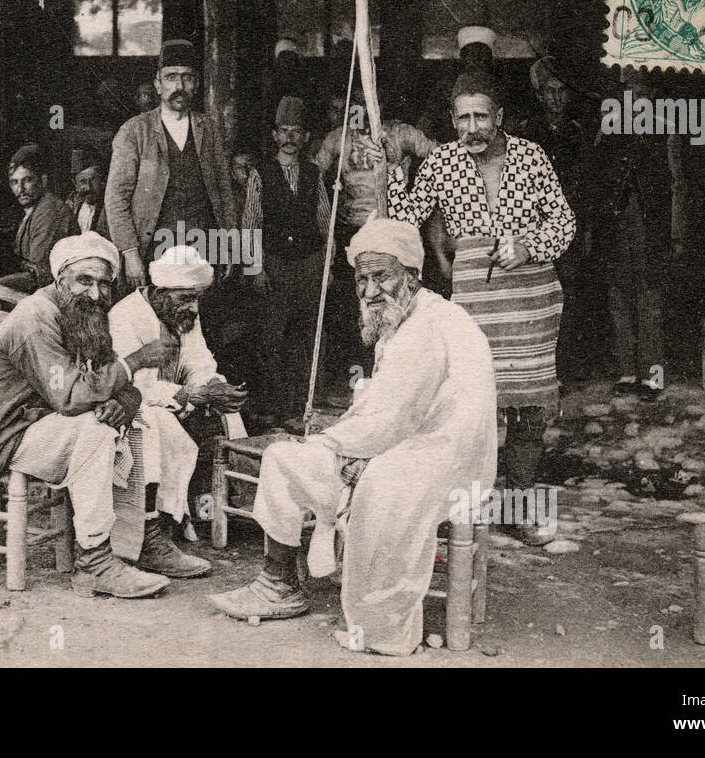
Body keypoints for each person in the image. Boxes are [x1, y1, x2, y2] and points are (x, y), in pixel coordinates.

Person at [208, 218, 497, 655]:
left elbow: (394, 417)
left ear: (412, 275)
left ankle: (383, 630)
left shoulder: (427, 327)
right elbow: (385, 410)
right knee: (285, 458)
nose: (369, 288)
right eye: (362, 277)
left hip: (444, 456)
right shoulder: (405, 315)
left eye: (381, 276)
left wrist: (339, 446)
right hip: (405, 439)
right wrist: (340, 442)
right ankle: (279, 584)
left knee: (380, 486)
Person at [388, 71, 574, 545]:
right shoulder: (442, 163)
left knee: (530, 412)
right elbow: (406, 219)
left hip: (531, 303)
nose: (473, 127)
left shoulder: (531, 156)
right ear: (452, 120)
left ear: (500, 117)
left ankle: (517, 509)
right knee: (474, 406)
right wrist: (390, 170)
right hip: (474, 304)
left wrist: (530, 246)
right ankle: (470, 509)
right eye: (463, 117)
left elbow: (564, 221)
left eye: (482, 116)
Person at [0, 232, 180, 599]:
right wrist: (136, 362)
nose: (96, 293)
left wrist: (128, 400)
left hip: (37, 424)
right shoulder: (37, 316)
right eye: (84, 280)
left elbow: (111, 382)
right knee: (96, 430)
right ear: (60, 279)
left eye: (104, 284)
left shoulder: (85, 313)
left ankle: (134, 545)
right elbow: (71, 396)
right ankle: (95, 563)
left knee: (134, 422)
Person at [108, 245, 248, 570]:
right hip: (128, 407)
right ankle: (150, 534)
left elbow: (199, 359)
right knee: (157, 422)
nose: (194, 307)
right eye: (185, 299)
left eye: (196, 297)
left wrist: (212, 385)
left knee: (227, 411)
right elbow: (133, 387)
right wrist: (188, 396)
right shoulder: (124, 317)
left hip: (171, 400)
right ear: (158, 292)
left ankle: (216, 507)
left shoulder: (181, 314)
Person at [312, 84, 433, 401]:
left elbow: (439, 154)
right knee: (355, 308)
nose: (362, 112)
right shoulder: (339, 137)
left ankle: (398, 378)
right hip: (352, 232)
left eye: (368, 105)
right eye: (356, 105)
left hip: (392, 229)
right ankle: (356, 378)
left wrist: (407, 172)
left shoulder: (400, 133)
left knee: (396, 305)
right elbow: (313, 169)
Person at [579, 72, 681, 401]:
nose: (634, 102)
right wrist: (593, 228)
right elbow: (595, 183)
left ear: (652, 97)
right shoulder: (607, 131)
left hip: (651, 227)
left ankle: (654, 376)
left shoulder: (667, 128)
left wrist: (677, 232)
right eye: (627, 95)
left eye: (640, 95)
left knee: (650, 301)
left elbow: (677, 185)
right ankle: (626, 371)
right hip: (616, 228)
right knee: (618, 298)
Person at [105, 39, 237, 291]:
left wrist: (229, 245)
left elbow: (224, 192)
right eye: (171, 77)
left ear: (196, 84)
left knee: (202, 318)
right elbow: (116, 199)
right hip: (154, 249)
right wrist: (131, 254)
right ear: (158, 84)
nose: (179, 86)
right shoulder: (134, 131)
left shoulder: (208, 128)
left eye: (187, 78)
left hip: (203, 247)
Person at [240, 96, 330, 430]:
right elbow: (249, 224)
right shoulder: (259, 174)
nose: (289, 138)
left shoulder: (314, 174)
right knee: (271, 340)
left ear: (306, 137)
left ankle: (296, 410)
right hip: (274, 267)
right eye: (284, 131)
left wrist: (326, 266)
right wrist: (256, 268)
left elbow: (325, 223)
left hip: (307, 267)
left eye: (296, 132)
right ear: (275, 135)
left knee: (303, 340)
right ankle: (271, 410)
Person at [512, 56, 596, 382]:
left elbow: (586, 187)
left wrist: (585, 229)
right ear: (538, 95)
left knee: (568, 297)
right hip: (534, 231)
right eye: (549, 91)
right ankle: (537, 370)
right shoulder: (526, 136)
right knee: (535, 299)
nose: (556, 98)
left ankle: (564, 369)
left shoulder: (579, 134)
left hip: (570, 229)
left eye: (562, 91)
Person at [5, 144, 78, 293]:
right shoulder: (34, 209)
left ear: (43, 180)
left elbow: (36, 273)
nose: (20, 189)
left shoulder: (49, 210)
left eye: (27, 180)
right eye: (14, 182)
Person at [66, 145, 108, 238]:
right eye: (82, 182)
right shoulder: (72, 205)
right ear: (75, 184)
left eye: (93, 180)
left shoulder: (109, 207)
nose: (88, 187)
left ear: (102, 181)